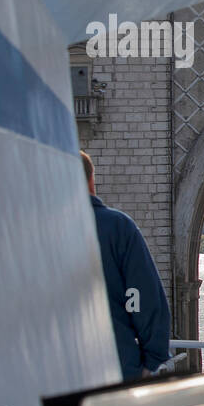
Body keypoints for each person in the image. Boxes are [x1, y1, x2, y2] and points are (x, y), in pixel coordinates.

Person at [82, 151, 172, 380]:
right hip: (116, 369)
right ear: (92, 180)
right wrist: (150, 363)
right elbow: (147, 300)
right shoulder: (118, 227)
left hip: (48, 380)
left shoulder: (32, 231)